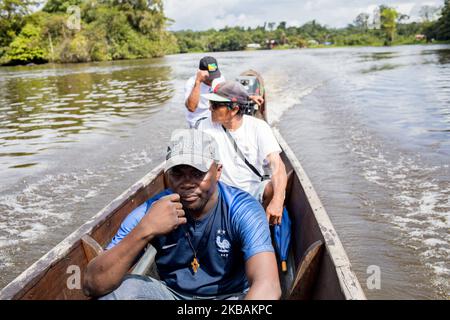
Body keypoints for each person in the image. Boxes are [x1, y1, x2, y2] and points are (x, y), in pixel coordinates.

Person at [83, 129, 281, 300]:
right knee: (120, 291)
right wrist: (145, 230)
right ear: (167, 175)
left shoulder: (241, 209)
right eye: (177, 173)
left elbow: (268, 286)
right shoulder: (150, 211)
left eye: (197, 173)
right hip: (173, 295)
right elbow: (91, 284)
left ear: (218, 171)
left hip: (231, 296)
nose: (186, 183)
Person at [197, 81, 287, 226]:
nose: (209, 108)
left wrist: (277, 201)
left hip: (252, 192)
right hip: (220, 193)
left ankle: (262, 225)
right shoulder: (204, 126)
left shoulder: (258, 127)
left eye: (215, 105)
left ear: (234, 109)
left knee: (272, 188)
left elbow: (278, 166)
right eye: (210, 103)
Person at [184, 56, 225, 128]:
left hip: (215, 116)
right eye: (209, 77)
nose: (213, 79)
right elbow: (191, 108)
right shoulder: (191, 83)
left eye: (214, 75)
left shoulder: (220, 78)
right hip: (198, 119)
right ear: (200, 73)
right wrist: (198, 82)